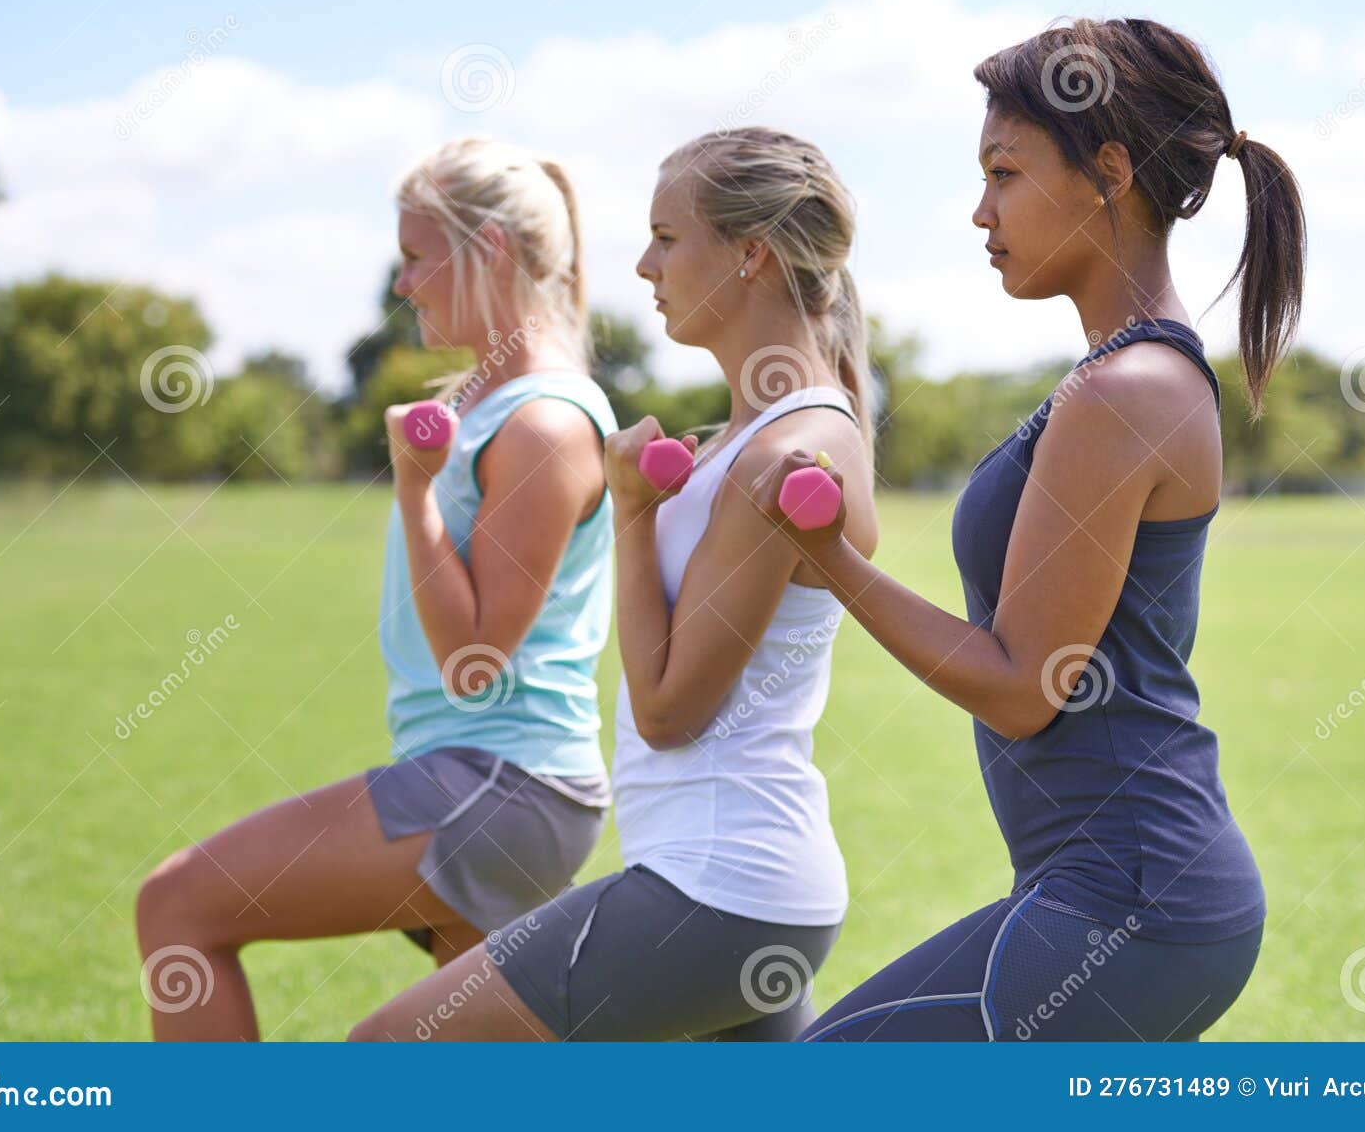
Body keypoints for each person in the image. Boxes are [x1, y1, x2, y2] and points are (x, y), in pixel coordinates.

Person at [750, 18, 1303, 1041]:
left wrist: (825, 559)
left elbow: (1020, 688)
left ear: (1107, 171)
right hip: (1110, 891)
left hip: (1127, 904)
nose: (977, 210)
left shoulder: (1126, 391)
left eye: (1003, 173)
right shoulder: (1126, 377)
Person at [348, 127, 879, 1041]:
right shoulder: (752, 441)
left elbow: (672, 711)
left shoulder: (791, 451)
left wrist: (633, 512)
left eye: (668, 238)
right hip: (732, 887)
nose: (640, 265)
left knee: (388, 1052)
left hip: (719, 893)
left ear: (750, 254)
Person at [135, 137, 618, 1040]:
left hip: (500, 788)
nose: (403, 284)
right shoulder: (499, 407)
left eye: (415, 255)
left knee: (179, 910)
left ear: (492, 253)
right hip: (486, 784)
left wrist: (414, 484)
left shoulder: (545, 424)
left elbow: (474, 660)